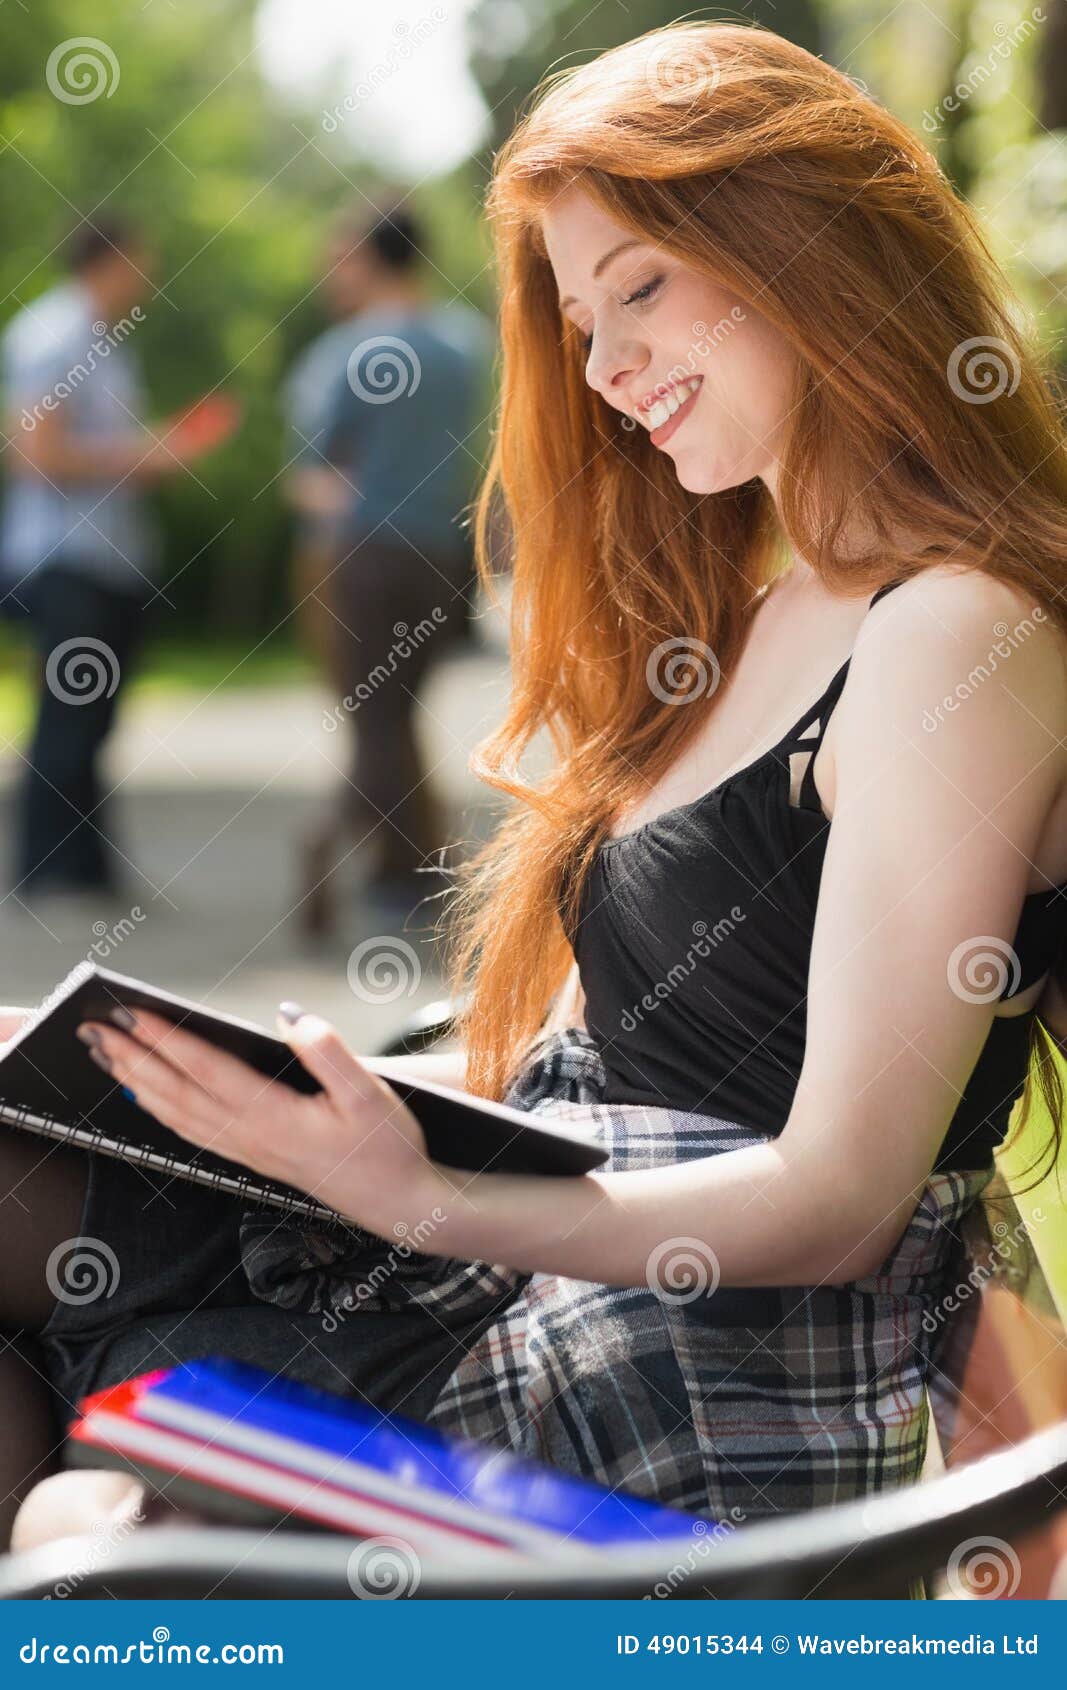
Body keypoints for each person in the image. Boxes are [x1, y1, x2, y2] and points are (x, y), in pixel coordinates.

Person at [5, 21, 1067, 1557]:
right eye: (579, 319)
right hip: (520, 1258)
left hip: (705, 1362)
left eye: (637, 284)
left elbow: (838, 1195)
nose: (603, 363)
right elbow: (579, 1082)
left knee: (98, 1527)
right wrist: (164, 1080)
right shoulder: (750, 615)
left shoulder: (956, 631)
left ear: (809, 244)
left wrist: (423, 1202)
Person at [0, 217, 234, 900]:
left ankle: (85, 872)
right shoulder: (54, 334)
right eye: (141, 265)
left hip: (109, 563)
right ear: (108, 260)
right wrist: (145, 454)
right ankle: (48, 875)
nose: (147, 282)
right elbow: (35, 454)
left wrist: (149, 450)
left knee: (93, 724)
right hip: (65, 561)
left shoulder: (105, 345)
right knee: (66, 721)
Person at [284, 193, 495, 934]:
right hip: (442, 555)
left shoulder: (345, 353)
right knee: (400, 710)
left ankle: (343, 846)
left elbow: (312, 472)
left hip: (363, 554)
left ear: (369, 259)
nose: (331, 271)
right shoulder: (466, 346)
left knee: (372, 714)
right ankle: (408, 866)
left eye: (341, 257)